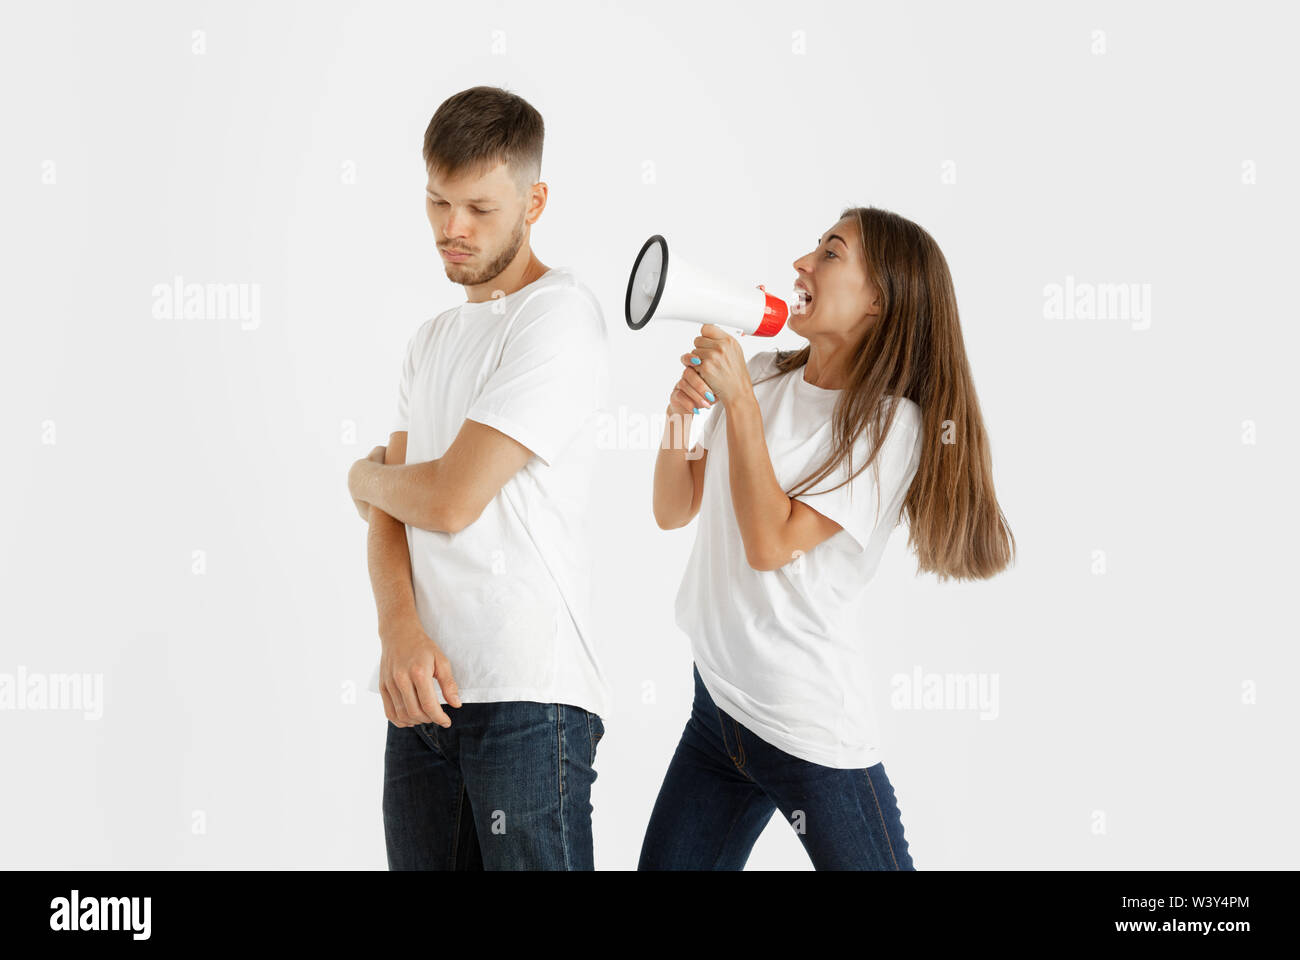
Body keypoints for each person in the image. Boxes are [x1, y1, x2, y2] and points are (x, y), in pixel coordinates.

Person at [639, 206, 1015, 870]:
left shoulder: (890, 427)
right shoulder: (762, 375)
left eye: (830, 253)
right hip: (718, 712)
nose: (801, 264)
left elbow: (770, 543)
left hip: (805, 727)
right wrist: (679, 417)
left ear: (879, 301)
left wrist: (743, 408)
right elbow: (672, 509)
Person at [346, 86, 611, 870]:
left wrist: (365, 477)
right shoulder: (428, 341)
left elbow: (449, 499)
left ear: (535, 201)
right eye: (437, 201)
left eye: (478, 208)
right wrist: (398, 632)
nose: (451, 229)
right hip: (421, 696)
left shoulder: (559, 316)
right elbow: (392, 516)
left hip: (529, 698)